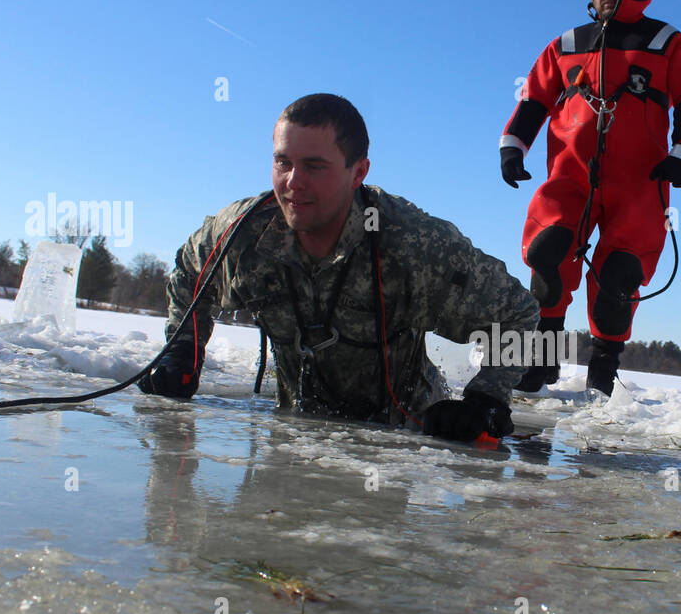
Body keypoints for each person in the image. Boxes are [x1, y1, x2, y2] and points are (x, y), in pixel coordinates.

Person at [140, 93, 538, 442]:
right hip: (297, 434)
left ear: (358, 172)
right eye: (283, 163)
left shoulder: (412, 243)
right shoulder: (246, 234)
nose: (293, 182)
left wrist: (486, 399)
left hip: (405, 441)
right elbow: (191, 272)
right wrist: (183, 353)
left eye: (314, 166)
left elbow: (518, 313)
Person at [500, 0, 681, 395]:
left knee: (619, 274)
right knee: (546, 253)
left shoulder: (667, 42)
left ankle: (603, 369)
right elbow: (535, 97)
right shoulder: (568, 43)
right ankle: (542, 361)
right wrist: (513, 146)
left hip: (641, 181)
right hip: (570, 174)